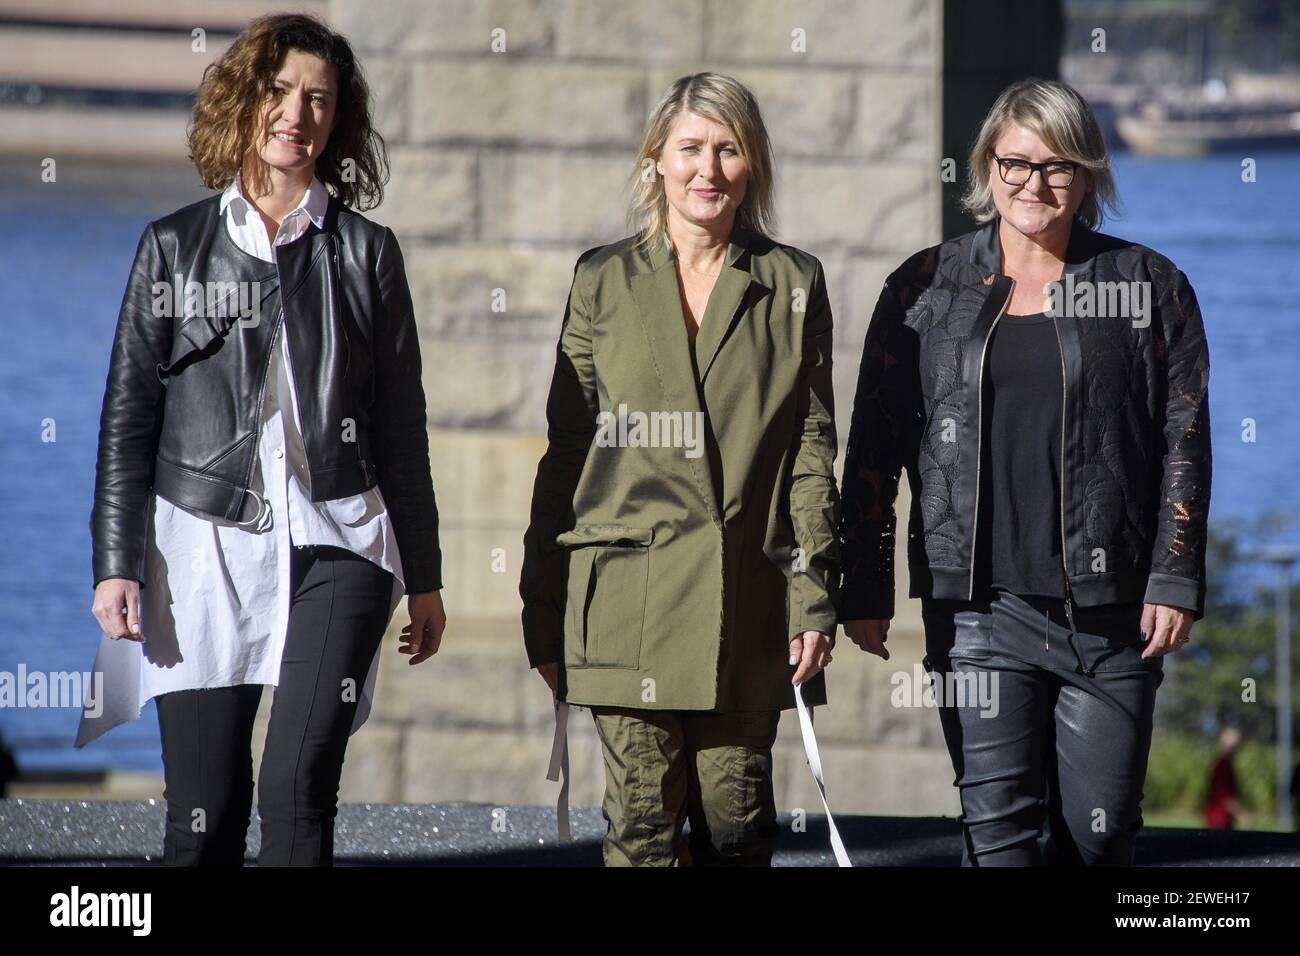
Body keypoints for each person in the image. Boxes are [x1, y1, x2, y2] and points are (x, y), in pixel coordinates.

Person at [83, 13, 446, 866]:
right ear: (245, 102)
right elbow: (128, 417)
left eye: (317, 99)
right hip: (202, 546)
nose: (296, 113)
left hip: (339, 542)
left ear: (337, 120)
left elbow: (402, 428)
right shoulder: (173, 248)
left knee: (298, 792)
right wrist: (115, 560)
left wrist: (424, 577)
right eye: (279, 91)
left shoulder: (367, 254)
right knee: (203, 813)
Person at [839, 78, 1211, 866]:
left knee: (1099, 837)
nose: (1034, 185)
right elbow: (875, 441)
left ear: (1087, 176)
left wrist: (1174, 577)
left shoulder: (1148, 286)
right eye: (1016, 164)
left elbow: (1184, 439)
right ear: (987, 166)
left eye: (1058, 167)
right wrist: (863, 583)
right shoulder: (925, 285)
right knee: (998, 838)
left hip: (1110, 619)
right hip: (977, 610)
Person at [519, 72, 840, 866]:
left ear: (753, 165)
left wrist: (816, 594)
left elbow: (809, 448)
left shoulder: (792, 283)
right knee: (641, 834)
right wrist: (542, 601)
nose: (709, 169)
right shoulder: (602, 280)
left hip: (746, 602)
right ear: (655, 160)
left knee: (736, 827)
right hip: (623, 601)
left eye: (729, 149)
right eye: (690, 148)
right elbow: (567, 451)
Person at [1204, 727, 1247, 829]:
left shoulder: (1225, 765)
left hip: (1223, 820)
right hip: (1218, 821)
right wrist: (1242, 814)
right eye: (1234, 746)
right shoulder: (1222, 766)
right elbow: (1225, 798)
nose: (1236, 750)